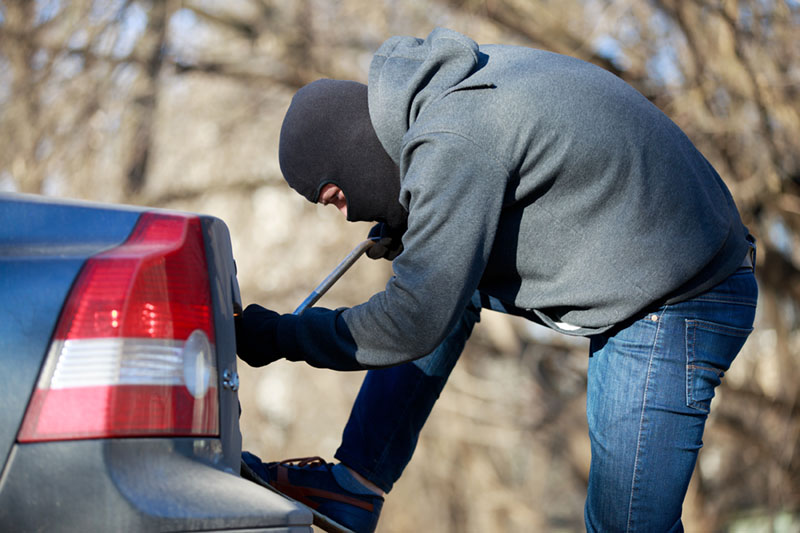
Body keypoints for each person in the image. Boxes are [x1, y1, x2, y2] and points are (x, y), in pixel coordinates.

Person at [236, 27, 758, 533]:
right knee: (443, 281)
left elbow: (411, 321)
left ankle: (350, 487)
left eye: (336, 197)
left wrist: (283, 337)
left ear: (351, 156)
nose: (348, 215)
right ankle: (352, 486)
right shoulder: (439, 96)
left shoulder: (453, 138)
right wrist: (411, 220)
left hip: (684, 291)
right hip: (638, 256)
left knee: (626, 525)